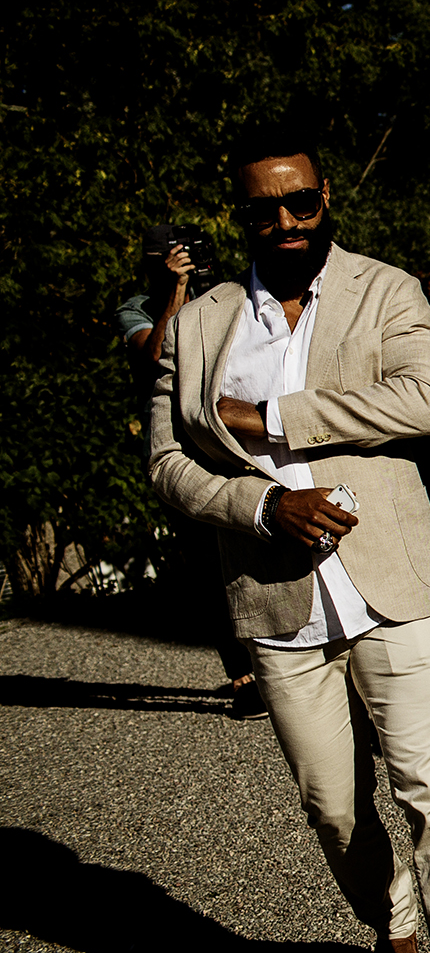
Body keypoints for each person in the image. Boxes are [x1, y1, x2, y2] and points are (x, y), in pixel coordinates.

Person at [147, 130, 430, 953]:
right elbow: (167, 463)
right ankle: (390, 909)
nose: (283, 223)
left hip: (392, 580)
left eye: (299, 203)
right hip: (274, 598)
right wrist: (263, 502)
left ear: (325, 201)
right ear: (241, 218)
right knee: (333, 806)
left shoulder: (386, 289)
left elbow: (428, 400)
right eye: (261, 209)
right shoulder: (195, 327)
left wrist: (275, 422)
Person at [116, 235, 265, 719]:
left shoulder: (228, 295)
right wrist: (176, 293)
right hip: (179, 452)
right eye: (175, 260)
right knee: (207, 566)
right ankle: (242, 676)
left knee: (261, 540)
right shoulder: (135, 309)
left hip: (230, 438)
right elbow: (155, 357)